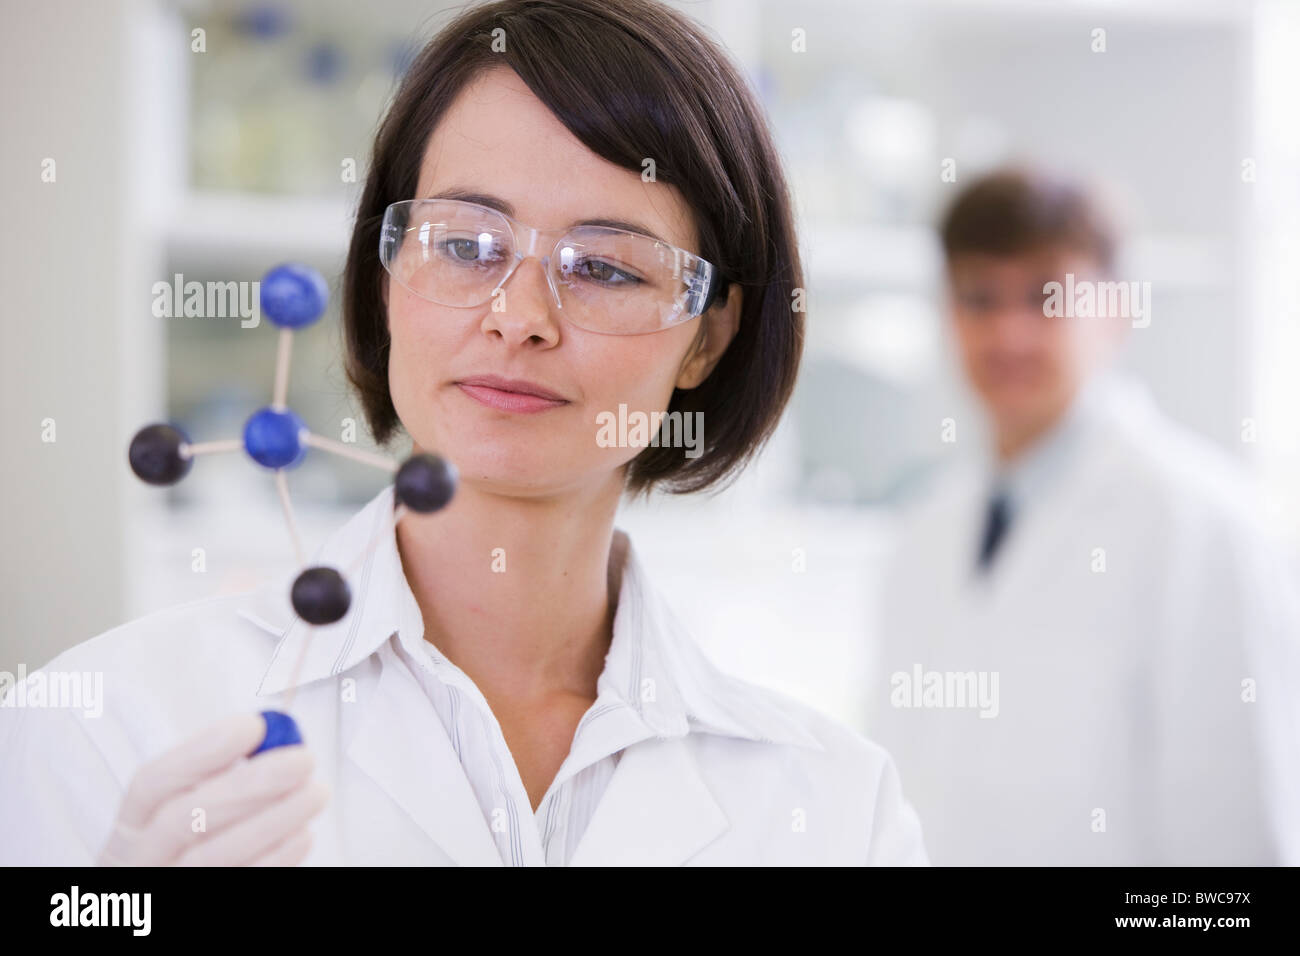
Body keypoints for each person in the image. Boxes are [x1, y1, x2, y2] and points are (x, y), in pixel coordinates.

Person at [0, 0, 926, 867]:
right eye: (465, 244)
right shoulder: (110, 720)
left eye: (604, 267)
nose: (519, 317)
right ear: (387, 269)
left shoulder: (836, 809)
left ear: (707, 337)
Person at [868, 168, 1300, 866]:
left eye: (1046, 297)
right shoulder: (924, 531)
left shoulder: (1208, 531)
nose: (1008, 332)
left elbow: (1240, 858)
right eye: (980, 297)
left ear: (1119, 310)